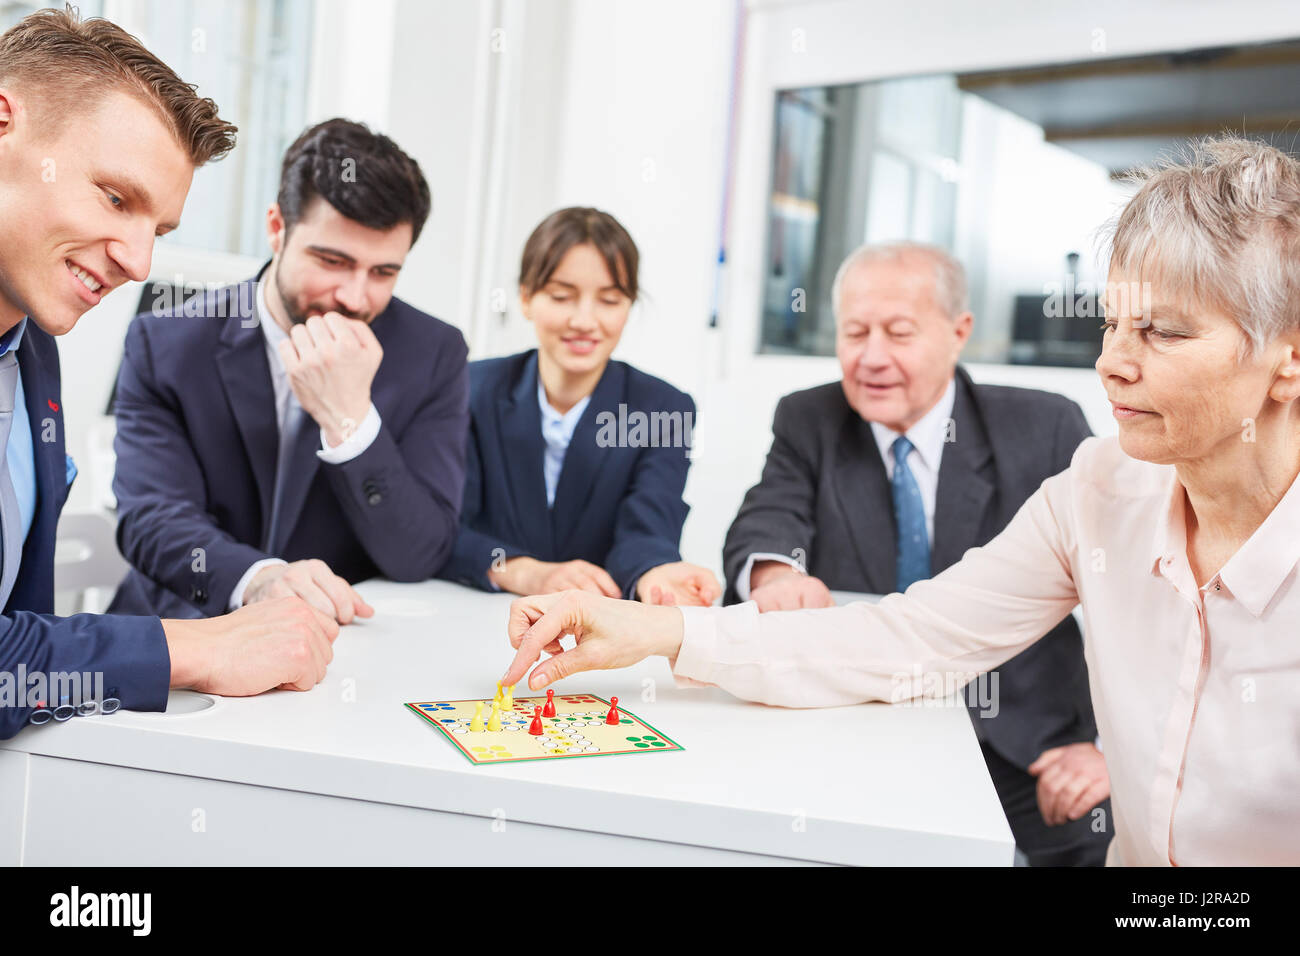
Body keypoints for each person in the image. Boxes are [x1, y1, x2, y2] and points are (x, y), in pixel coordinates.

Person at [502, 137, 1300, 866]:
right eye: (1111, 325)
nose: (1111, 365)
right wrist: (654, 629)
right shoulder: (1098, 489)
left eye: (1162, 332)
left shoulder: (1047, 437)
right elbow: (905, 635)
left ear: (1287, 359)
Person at [0, 8, 341, 738]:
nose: (138, 262)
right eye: (115, 197)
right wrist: (196, 647)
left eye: (156, 229)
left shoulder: (33, 354)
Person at [722, 242, 1109, 866]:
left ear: (959, 334)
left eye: (899, 333)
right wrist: (775, 573)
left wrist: (1112, 750)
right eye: (854, 332)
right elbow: (770, 514)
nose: (872, 358)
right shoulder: (809, 419)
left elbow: (1132, 593)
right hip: (859, 724)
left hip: (1024, 743)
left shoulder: (1045, 428)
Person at [108, 118, 469, 622]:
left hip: (337, 651)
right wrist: (259, 580)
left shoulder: (434, 354)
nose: (355, 297)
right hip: (180, 632)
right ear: (277, 228)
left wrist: (351, 422)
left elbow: (420, 552)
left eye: (384, 272)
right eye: (332, 261)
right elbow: (152, 521)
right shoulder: (166, 342)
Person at [439, 207, 719, 606]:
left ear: (629, 305)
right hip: (471, 612)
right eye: (561, 297)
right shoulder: (470, 389)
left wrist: (654, 574)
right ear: (525, 298)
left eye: (609, 300)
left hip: (597, 629)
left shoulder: (662, 409)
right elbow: (442, 527)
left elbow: (647, 530)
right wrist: (527, 572)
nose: (585, 321)